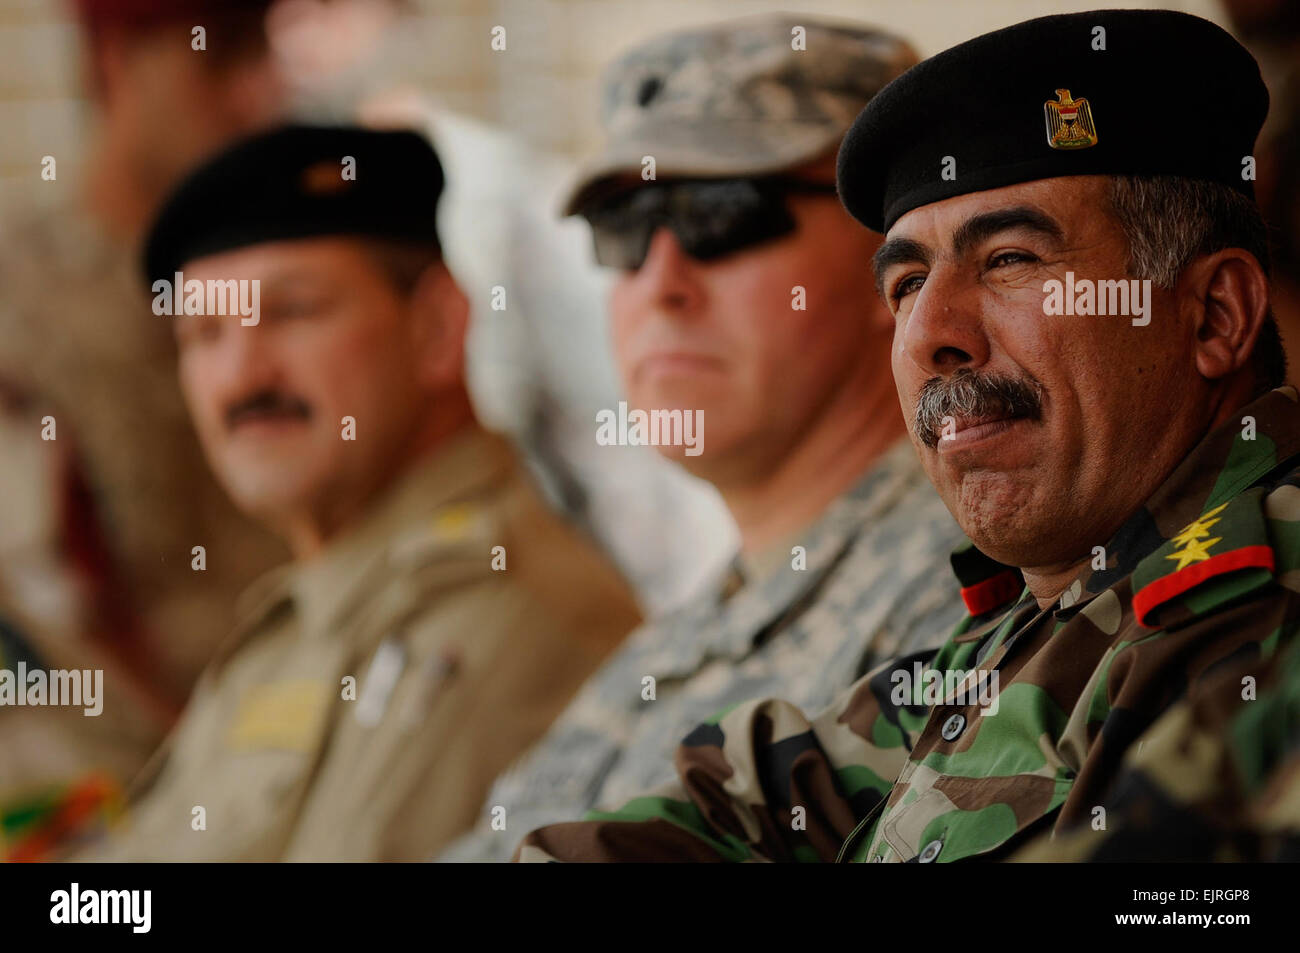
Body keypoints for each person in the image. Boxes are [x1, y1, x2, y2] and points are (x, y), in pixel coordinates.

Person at [513, 8, 1299, 864]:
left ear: (1214, 316)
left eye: (1009, 260)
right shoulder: (1020, 634)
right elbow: (726, 807)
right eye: (908, 283)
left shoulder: (1260, 630)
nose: (930, 333)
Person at [440, 14, 966, 863]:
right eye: (623, 228)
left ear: (897, 263)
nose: (659, 281)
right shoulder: (681, 635)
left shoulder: (972, 600)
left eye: (721, 215)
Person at [71, 124, 640, 861]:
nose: (242, 377)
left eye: (292, 310)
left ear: (436, 327)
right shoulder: (309, 612)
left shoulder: (497, 610)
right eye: (204, 333)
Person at [0, 0, 290, 816]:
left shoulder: (291, 275)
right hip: (112, 796)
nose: (255, 93)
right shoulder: (23, 301)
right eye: (219, 54)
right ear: (120, 63)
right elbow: (56, 610)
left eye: (263, 52)